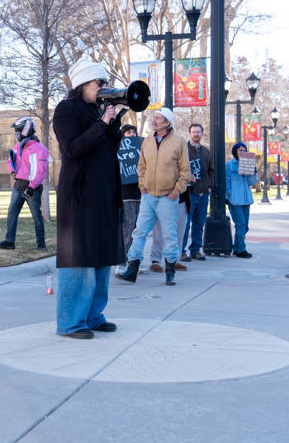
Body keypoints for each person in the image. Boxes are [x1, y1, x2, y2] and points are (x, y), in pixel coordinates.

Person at [53, 57, 125, 339]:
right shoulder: (65, 110)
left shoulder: (100, 110)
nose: (103, 87)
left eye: (105, 82)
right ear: (83, 84)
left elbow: (110, 147)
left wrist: (113, 121)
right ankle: (71, 322)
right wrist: (102, 122)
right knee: (79, 260)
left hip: (104, 193)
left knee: (103, 257)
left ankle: (94, 316)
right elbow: (72, 148)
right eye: (98, 82)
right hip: (79, 195)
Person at [116, 107, 190, 286]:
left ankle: (170, 272)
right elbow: (141, 167)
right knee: (139, 232)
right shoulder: (147, 141)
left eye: (158, 118)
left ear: (167, 122)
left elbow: (185, 171)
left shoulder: (179, 141)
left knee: (169, 235)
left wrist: (176, 191)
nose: (154, 120)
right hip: (148, 196)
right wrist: (142, 187)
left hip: (168, 197)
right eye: (154, 117)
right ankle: (132, 270)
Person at [0, 116, 49, 251]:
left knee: (36, 216)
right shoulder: (18, 147)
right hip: (18, 186)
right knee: (12, 213)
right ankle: (9, 242)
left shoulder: (39, 149)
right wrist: (12, 171)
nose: (16, 133)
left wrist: (32, 187)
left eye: (18, 130)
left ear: (27, 130)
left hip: (32, 189)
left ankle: (41, 244)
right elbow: (10, 160)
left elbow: (41, 171)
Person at [180, 123, 213, 261]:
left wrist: (209, 186)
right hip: (189, 193)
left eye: (198, 132)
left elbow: (211, 170)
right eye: (194, 132)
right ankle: (181, 251)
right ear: (189, 133)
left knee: (199, 224)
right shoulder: (183, 150)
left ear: (202, 134)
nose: (196, 134)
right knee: (185, 224)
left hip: (203, 193)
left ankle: (195, 250)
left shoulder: (206, 152)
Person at [225, 143, 258, 258]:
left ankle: (236, 247)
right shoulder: (229, 165)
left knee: (245, 226)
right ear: (235, 151)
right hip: (235, 200)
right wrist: (229, 195)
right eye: (240, 150)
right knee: (241, 224)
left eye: (244, 150)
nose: (242, 152)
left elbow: (251, 182)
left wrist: (253, 172)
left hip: (246, 199)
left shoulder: (248, 163)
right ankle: (241, 250)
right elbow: (226, 181)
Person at [117, 124, 142, 268]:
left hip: (141, 194)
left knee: (139, 230)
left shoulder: (140, 148)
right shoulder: (118, 150)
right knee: (128, 228)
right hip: (126, 196)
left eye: (133, 132)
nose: (132, 134)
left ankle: (135, 260)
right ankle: (122, 260)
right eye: (128, 132)